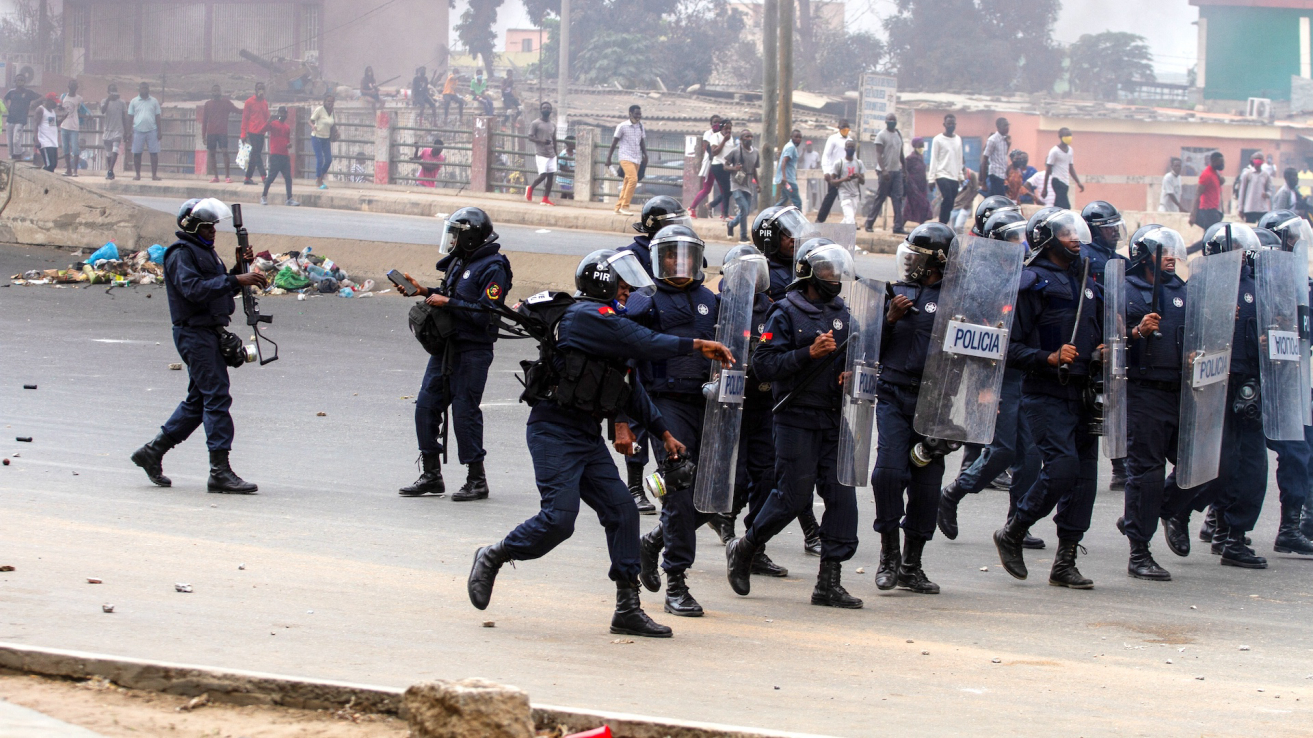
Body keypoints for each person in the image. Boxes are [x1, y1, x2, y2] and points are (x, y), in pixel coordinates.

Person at [466, 248, 732, 638]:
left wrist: (663, 432)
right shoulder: (586, 316)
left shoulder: (611, 323)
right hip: (553, 431)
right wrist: (695, 344)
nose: (628, 290)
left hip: (586, 436)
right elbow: (644, 341)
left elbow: (630, 387)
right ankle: (494, 554)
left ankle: (627, 608)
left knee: (622, 512)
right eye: (622, 283)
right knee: (559, 520)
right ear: (603, 281)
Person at [724, 239, 862, 608]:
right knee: (792, 497)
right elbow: (764, 365)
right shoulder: (784, 311)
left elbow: (853, 361)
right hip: (795, 415)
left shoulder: (844, 314)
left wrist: (849, 376)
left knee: (842, 495)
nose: (835, 277)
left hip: (833, 417)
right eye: (828, 270)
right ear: (810, 273)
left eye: (837, 269)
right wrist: (807, 353)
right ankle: (746, 545)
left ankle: (829, 582)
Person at [993, 209, 1102, 589]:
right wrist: (1048, 358)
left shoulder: (1090, 279)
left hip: (1085, 393)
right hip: (1045, 392)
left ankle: (1066, 560)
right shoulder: (1030, 283)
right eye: (1066, 232)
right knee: (1062, 467)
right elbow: (1009, 347)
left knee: (1085, 478)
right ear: (1046, 238)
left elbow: (1102, 331)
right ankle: (1015, 529)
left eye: (1076, 232)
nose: (1075, 237)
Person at [130, 198, 268, 494]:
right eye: (207, 227)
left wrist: (236, 270)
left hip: (209, 333)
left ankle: (152, 452)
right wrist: (237, 277)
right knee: (217, 398)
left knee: (199, 401)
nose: (213, 232)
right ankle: (219, 471)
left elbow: (219, 285)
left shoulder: (204, 252)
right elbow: (193, 290)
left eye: (214, 227)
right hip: (195, 334)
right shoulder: (180, 254)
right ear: (193, 227)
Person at [1159, 224, 1270, 569]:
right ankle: (1168, 508)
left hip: (1250, 387)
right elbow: (1186, 336)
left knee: (1252, 469)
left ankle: (1234, 538)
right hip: (1214, 385)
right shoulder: (1201, 286)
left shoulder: (1258, 285)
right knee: (1214, 465)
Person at [628, 225, 723, 617]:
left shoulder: (712, 301)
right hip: (665, 404)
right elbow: (628, 361)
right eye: (670, 254)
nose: (678, 262)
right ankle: (677, 583)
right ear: (657, 259)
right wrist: (628, 421)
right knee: (679, 489)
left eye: (685, 254)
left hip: (710, 404)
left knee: (724, 494)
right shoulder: (643, 302)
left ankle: (654, 540)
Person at [938, 208, 1044, 549]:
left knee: (1029, 455)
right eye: (1014, 238)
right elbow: (968, 332)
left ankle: (1017, 523)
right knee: (1002, 451)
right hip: (994, 375)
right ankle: (953, 493)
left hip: (1021, 372)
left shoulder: (1022, 272)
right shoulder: (979, 279)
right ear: (999, 242)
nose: (1022, 243)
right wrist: (983, 387)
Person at [395, 208, 513, 502]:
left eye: (456, 234)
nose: (452, 241)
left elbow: (488, 309)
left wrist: (448, 302)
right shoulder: (460, 261)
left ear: (471, 236)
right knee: (425, 405)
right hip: (447, 347)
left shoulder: (494, 267)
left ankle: (476, 479)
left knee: (464, 412)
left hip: (473, 350)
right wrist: (423, 290)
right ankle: (431, 475)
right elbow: (449, 294)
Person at [873, 223, 957, 595]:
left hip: (935, 401)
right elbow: (866, 347)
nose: (910, 262)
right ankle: (888, 554)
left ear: (939, 261)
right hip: (893, 394)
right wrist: (889, 319)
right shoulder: (894, 293)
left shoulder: (959, 298)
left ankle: (912, 564)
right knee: (889, 474)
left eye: (918, 257)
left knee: (926, 487)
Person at [705, 244, 788, 582]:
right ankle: (721, 518)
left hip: (764, 402)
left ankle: (754, 547)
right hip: (729, 404)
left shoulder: (773, 309)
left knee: (766, 477)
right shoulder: (717, 306)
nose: (754, 280)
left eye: (759, 273)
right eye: (746, 273)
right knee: (734, 476)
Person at [753, 205, 825, 555]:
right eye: (785, 234)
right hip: (776, 372)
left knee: (790, 466)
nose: (793, 239)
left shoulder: (805, 265)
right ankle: (807, 528)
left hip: (806, 375)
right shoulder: (764, 273)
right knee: (782, 467)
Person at [1117, 227, 1187, 581]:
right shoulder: (1126, 290)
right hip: (1144, 393)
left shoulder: (1182, 292)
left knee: (1204, 466)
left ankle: (1148, 511)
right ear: (1145, 257)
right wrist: (1136, 332)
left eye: (1174, 252)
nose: (1172, 258)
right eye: (1164, 252)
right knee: (1148, 473)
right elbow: (1107, 340)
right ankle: (1139, 552)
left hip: (1182, 392)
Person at [1256, 211, 1313, 557]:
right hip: (1260, 382)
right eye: (1289, 240)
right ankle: (1218, 520)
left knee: (1302, 453)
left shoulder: (1302, 283)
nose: (1294, 246)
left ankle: (1297, 524)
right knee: (1241, 458)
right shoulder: (1257, 280)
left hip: (1295, 385)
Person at [864, 113, 906, 234]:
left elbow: (901, 153)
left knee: (897, 199)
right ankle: (869, 223)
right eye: (890, 120)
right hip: (885, 172)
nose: (892, 122)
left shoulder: (898, 134)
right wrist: (883, 170)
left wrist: (904, 169)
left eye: (894, 120)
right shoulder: (881, 135)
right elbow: (878, 154)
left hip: (897, 171)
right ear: (886, 122)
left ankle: (898, 226)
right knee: (880, 197)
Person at [604, 105, 646, 217]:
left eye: (639, 114)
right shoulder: (622, 126)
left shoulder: (641, 127)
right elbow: (614, 143)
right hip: (625, 157)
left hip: (637, 158)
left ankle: (618, 207)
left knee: (627, 182)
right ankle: (625, 206)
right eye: (636, 114)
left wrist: (645, 154)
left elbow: (642, 142)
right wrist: (609, 158)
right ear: (630, 113)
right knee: (633, 179)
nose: (638, 116)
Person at [928, 114, 964, 225]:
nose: (951, 126)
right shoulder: (938, 139)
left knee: (951, 202)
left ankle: (945, 224)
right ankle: (941, 224)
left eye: (953, 124)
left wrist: (960, 175)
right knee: (947, 198)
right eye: (949, 123)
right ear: (944, 124)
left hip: (954, 176)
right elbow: (934, 159)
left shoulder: (958, 139)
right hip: (941, 174)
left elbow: (959, 158)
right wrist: (931, 179)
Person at [689, 115, 727, 218]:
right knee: (706, 189)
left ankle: (724, 213)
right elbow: (708, 149)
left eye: (719, 122)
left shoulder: (722, 135)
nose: (717, 124)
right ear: (711, 124)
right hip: (710, 165)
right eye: (715, 122)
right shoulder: (708, 134)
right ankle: (692, 208)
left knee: (724, 189)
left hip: (720, 164)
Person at [725, 129, 759, 242]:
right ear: (741, 139)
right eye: (746, 137)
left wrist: (758, 183)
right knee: (743, 208)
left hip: (748, 184)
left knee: (746, 211)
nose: (748, 139)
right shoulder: (735, 151)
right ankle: (743, 236)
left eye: (750, 136)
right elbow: (725, 166)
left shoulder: (755, 152)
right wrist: (734, 168)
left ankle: (731, 224)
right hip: (736, 183)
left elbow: (754, 169)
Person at [259, 107, 298, 206]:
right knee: (271, 177)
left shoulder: (287, 127)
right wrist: (269, 121)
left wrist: (288, 145)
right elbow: (262, 130)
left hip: (284, 155)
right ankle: (263, 196)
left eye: (285, 113)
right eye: (282, 113)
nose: (284, 115)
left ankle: (289, 198)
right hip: (275, 155)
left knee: (288, 178)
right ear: (279, 113)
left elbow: (287, 140)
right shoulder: (273, 124)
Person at [202, 85, 240, 183]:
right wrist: (203, 135)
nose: (216, 92)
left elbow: (237, 110)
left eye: (217, 90)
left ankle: (227, 176)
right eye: (214, 90)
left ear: (220, 91)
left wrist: (248, 109)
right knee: (212, 154)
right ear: (212, 92)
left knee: (225, 152)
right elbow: (204, 120)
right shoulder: (208, 104)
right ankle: (216, 177)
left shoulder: (226, 102)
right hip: (211, 132)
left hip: (222, 132)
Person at [816, 120, 851, 222]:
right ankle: (820, 219)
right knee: (831, 197)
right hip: (834, 174)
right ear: (839, 128)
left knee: (848, 199)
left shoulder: (850, 141)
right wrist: (826, 171)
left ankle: (849, 220)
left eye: (847, 128)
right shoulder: (833, 139)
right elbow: (826, 155)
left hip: (846, 174)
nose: (845, 130)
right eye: (843, 128)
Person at [1042, 127, 1084, 209]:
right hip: (1057, 180)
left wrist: (1078, 182)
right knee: (1065, 206)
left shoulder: (1070, 150)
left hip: (1065, 182)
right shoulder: (1054, 151)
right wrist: (1045, 188)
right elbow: (1048, 169)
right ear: (1060, 136)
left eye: (1070, 135)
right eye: (1067, 135)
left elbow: (1071, 167)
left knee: (1058, 204)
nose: (1069, 137)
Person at [128, 82, 163, 181]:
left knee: (154, 153)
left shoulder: (154, 101)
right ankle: (137, 175)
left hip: (152, 130)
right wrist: (128, 131)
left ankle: (154, 175)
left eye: (146, 88)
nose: (144, 90)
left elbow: (158, 117)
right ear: (139, 89)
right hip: (138, 131)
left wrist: (159, 131)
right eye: (142, 88)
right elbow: (130, 117)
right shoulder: (134, 101)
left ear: (149, 89)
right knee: (137, 154)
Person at [525, 102, 558, 206]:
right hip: (541, 153)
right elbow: (530, 137)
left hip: (551, 154)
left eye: (548, 108)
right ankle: (531, 188)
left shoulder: (553, 124)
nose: (546, 109)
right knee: (543, 175)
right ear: (541, 110)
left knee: (550, 177)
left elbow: (554, 139)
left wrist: (556, 153)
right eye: (544, 108)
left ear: (551, 110)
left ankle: (545, 199)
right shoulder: (535, 123)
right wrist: (541, 141)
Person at [240, 82, 270, 186]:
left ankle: (247, 178)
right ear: (255, 90)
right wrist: (243, 134)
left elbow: (267, 117)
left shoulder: (264, 103)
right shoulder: (249, 102)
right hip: (252, 131)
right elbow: (245, 119)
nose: (260, 90)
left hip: (261, 132)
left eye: (262, 88)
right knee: (257, 154)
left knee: (254, 155)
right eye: (259, 88)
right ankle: (264, 176)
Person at [4, 74, 39, 161]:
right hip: (10, 119)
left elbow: (41, 97)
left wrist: (34, 104)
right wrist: (7, 106)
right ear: (15, 81)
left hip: (20, 119)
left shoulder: (28, 92)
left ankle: (18, 157)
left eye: (21, 80)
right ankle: (11, 158)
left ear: (24, 82)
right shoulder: (11, 92)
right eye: (18, 79)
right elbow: (5, 98)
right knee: (10, 143)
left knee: (16, 140)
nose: (20, 81)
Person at [831, 138, 866, 225]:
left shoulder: (859, 163)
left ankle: (837, 232)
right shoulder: (839, 163)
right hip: (844, 194)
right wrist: (844, 179)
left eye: (852, 147)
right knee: (850, 220)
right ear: (845, 149)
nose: (850, 149)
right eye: (848, 147)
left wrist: (858, 176)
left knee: (848, 219)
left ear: (854, 149)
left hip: (855, 195)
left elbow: (863, 181)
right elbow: (832, 181)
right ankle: (849, 237)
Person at [1190, 151, 1226, 233]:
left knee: (1210, 236)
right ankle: (1190, 247)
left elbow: (1220, 183)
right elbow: (1197, 194)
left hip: (1214, 210)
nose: (1222, 165)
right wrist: (1193, 214)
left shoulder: (1216, 172)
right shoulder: (1206, 174)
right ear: (1214, 161)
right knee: (1213, 235)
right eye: (1220, 162)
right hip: (1208, 211)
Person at [99, 84, 129, 180]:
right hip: (107, 130)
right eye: (111, 91)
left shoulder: (122, 103)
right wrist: (108, 99)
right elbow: (102, 111)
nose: (113, 92)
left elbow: (124, 117)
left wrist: (126, 131)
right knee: (108, 153)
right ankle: (110, 171)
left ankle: (110, 170)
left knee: (115, 150)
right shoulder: (104, 101)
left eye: (115, 90)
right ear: (108, 92)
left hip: (118, 130)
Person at [57, 79, 84, 177]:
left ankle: (75, 170)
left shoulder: (79, 98)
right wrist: (60, 107)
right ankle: (68, 169)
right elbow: (59, 107)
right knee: (65, 148)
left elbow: (82, 110)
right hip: (64, 125)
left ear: (77, 88)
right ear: (68, 87)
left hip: (74, 126)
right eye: (71, 86)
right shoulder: (63, 96)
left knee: (75, 148)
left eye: (74, 86)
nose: (73, 88)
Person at [903, 138, 932, 224]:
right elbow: (905, 171)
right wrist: (909, 183)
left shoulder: (921, 157)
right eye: (920, 146)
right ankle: (901, 223)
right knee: (919, 204)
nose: (922, 148)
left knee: (919, 206)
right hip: (913, 187)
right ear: (915, 146)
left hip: (922, 186)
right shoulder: (910, 158)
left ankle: (921, 224)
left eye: (923, 146)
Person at [309, 94, 335, 189]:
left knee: (328, 160)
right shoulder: (319, 110)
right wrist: (313, 126)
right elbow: (310, 120)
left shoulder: (332, 112)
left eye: (332, 101)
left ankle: (320, 177)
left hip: (326, 138)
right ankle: (319, 180)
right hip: (317, 137)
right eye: (328, 101)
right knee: (320, 159)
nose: (330, 103)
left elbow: (332, 124)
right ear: (324, 102)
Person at [1237, 155, 1272, 223]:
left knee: (1262, 227)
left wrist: (1267, 194)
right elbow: (1242, 192)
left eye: (1260, 159)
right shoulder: (1247, 174)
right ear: (1253, 160)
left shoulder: (1266, 175)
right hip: (1250, 208)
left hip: (1262, 209)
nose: (1258, 160)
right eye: (1256, 158)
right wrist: (1240, 208)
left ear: (1263, 161)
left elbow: (1270, 189)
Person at [981, 117, 1010, 198]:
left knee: (994, 200)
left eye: (1008, 125)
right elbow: (985, 159)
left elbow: (1003, 157)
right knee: (1001, 200)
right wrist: (984, 182)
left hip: (1002, 175)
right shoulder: (993, 140)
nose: (1007, 128)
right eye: (1005, 125)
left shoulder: (1005, 140)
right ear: (998, 127)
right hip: (995, 175)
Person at [774, 129, 803, 209]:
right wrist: (784, 177)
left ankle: (770, 217)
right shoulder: (791, 147)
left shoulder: (790, 146)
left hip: (787, 179)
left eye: (800, 137)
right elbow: (784, 161)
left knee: (783, 200)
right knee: (797, 202)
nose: (798, 139)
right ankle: (799, 221)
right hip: (789, 181)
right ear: (791, 137)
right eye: (796, 137)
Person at [33, 94, 59, 172]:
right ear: (49, 101)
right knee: (49, 164)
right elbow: (35, 124)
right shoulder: (41, 110)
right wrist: (36, 139)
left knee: (54, 164)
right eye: (54, 102)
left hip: (53, 141)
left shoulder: (53, 111)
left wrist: (64, 117)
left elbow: (55, 124)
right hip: (45, 141)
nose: (56, 104)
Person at [557, 135, 576, 199]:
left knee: (564, 195)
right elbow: (561, 167)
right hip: (563, 178)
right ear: (569, 144)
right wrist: (572, 171)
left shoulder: (575, 152)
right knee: (570, 196)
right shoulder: (563, 154)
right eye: (574, 142)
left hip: (570, 178)